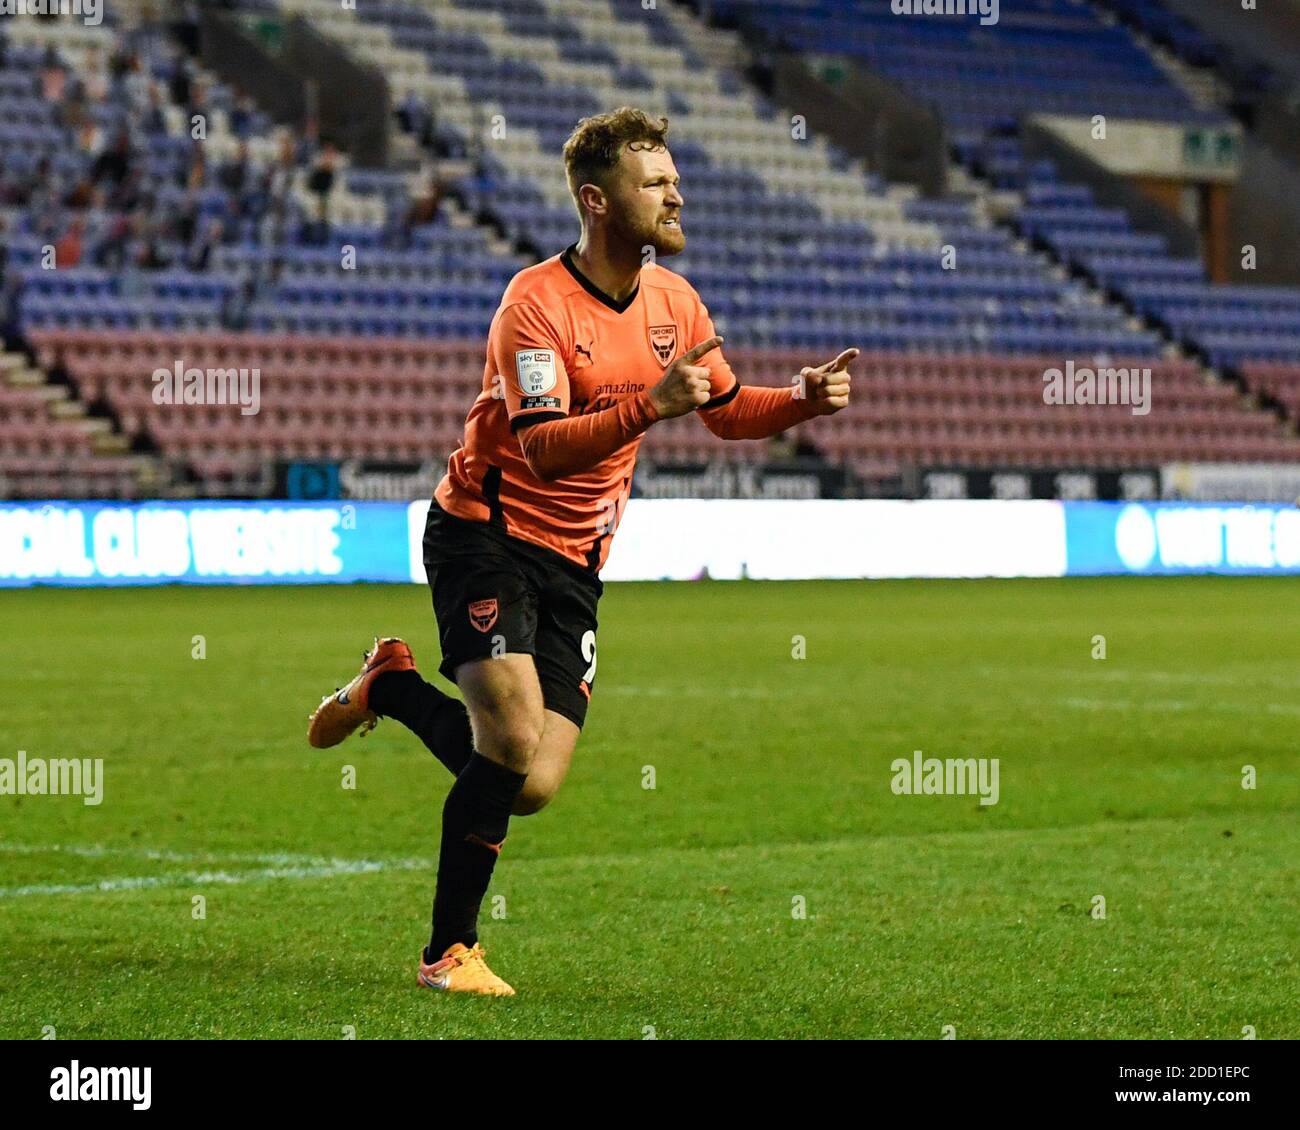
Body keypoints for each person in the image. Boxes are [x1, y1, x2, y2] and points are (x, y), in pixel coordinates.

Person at [306, 107, 856, 996]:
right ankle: (449, 952)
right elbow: (542, 446)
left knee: (530, 782)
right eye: (655, 181)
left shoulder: (676, 300)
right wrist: (648, 407)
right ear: (599, 202)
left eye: (675, 176)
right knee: (513, 737)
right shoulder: (536, 303)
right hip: (485, 530)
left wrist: (798, 399)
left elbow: (722, 407)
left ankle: (392, 686)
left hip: (575, 562)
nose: (676, 191)